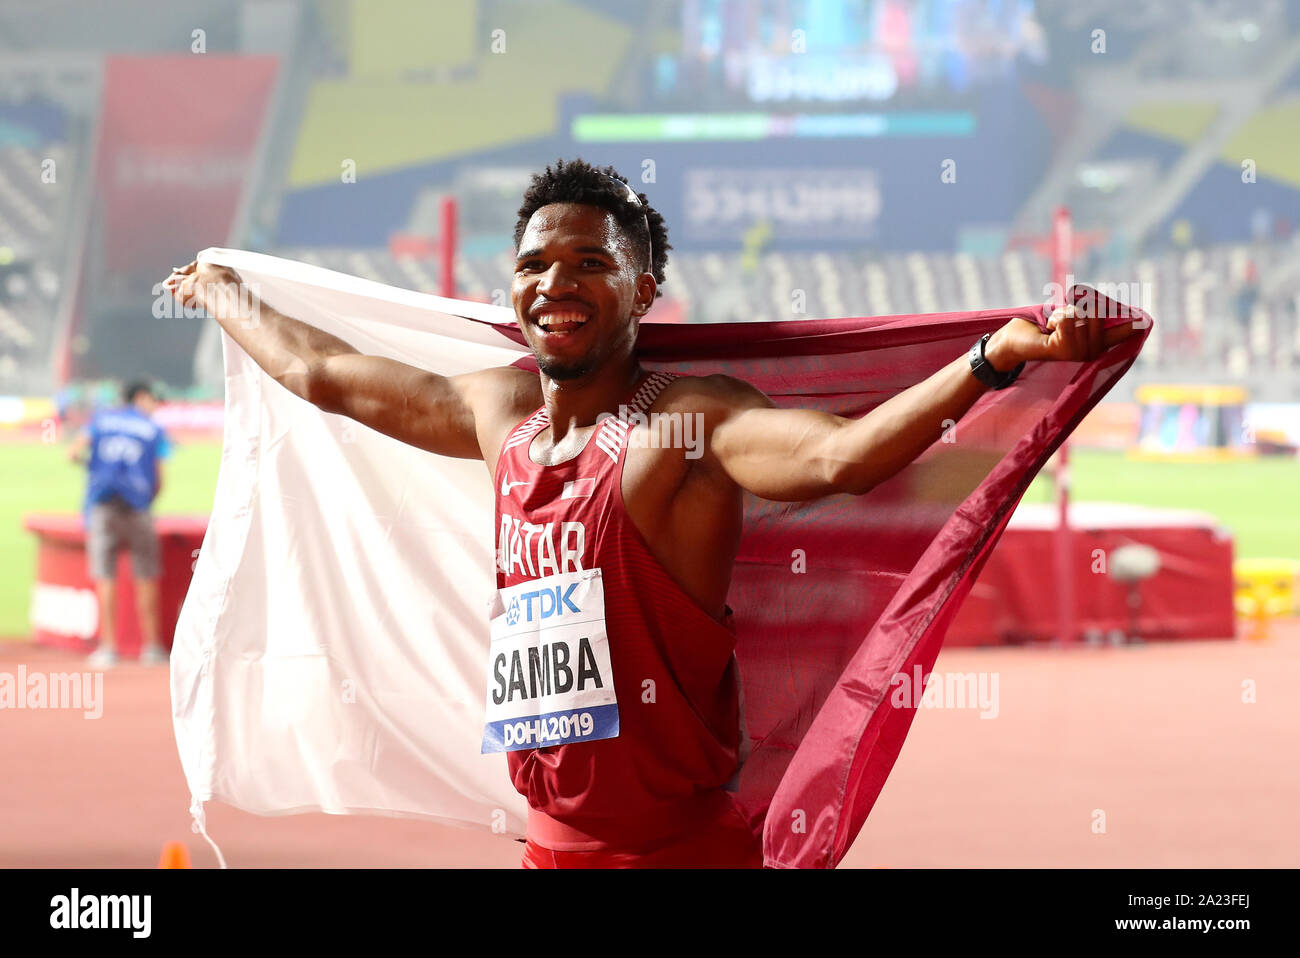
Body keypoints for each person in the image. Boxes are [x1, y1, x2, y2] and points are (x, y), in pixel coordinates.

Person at [165, 158, 1138, 868]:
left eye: (589, 262)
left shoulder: (687, 426)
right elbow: (324, 373)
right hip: (547, 849)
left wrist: (992, 360)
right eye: (535, 264)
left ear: (642, 290)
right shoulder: (497, 412)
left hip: (680, 856)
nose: (555, 283)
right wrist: (222, 292)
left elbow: (839, 458)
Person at [67, 379, 171, 668]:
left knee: (105, 576)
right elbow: (159, 477)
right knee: (146, 574)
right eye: (153, 400)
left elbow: (73, 453)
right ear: (140, 397)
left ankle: (108, 648)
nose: (155, 407)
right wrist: (147, 498)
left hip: (103, 505)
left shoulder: (100, 420)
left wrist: (95, 470)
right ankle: (152, 647)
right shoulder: (153, 429)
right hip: (138, 508)